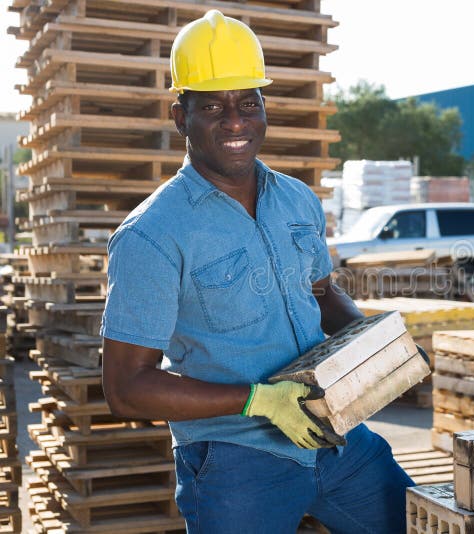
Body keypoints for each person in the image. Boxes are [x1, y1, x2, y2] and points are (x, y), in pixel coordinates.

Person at [100, 10, 414, 533]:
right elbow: (126, 386)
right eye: (212, 106)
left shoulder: (296, 199)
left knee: (421, 524)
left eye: (248, 102)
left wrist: (372, 346)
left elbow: (320, 292)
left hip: (335, 439)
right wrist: (259, 401)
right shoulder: (152, 235)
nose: (236, 121)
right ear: (180, 117)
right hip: (236, 462)